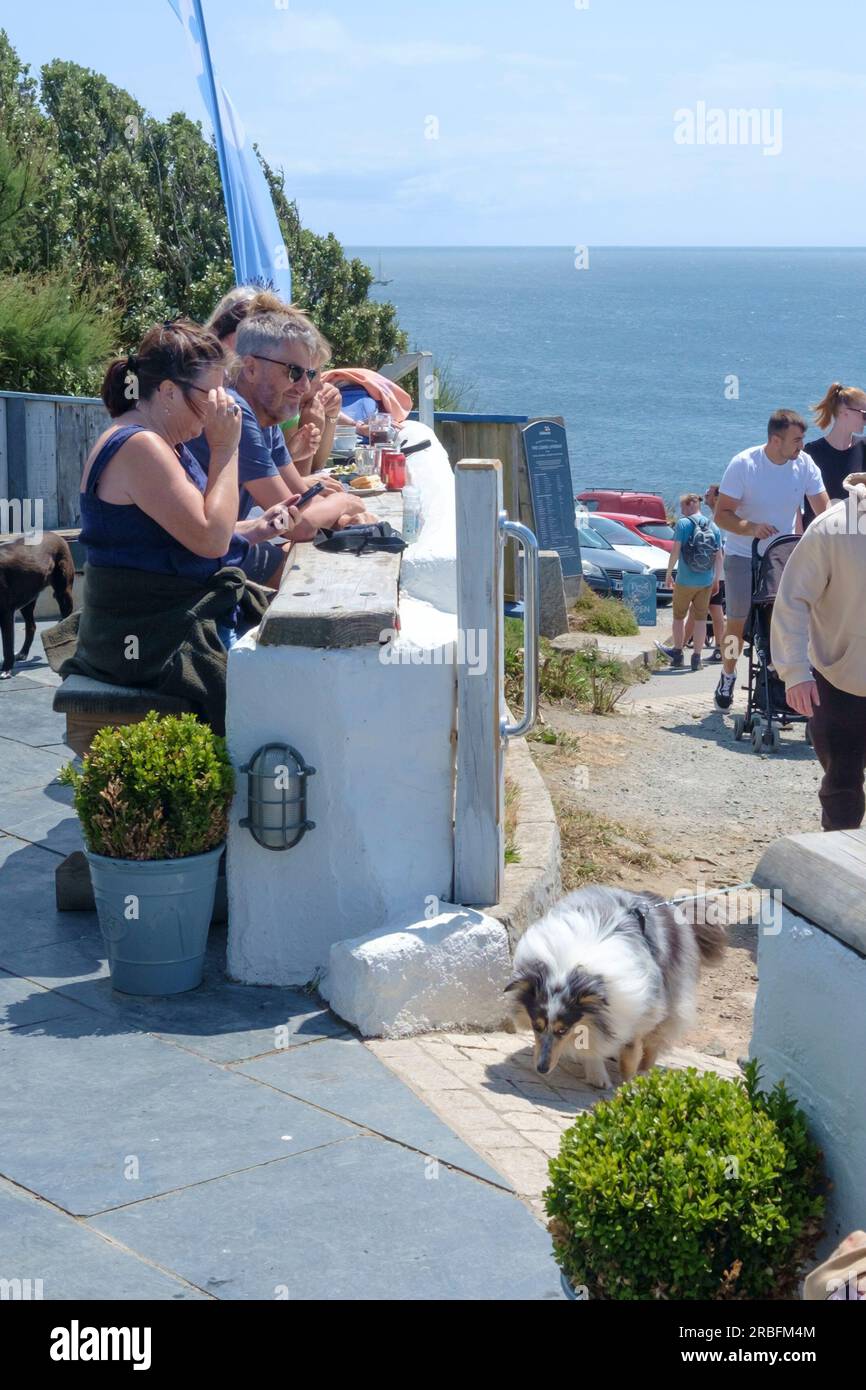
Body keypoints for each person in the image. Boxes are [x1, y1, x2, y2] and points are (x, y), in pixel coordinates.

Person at [48, 319, 300, 730]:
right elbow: (210, 540)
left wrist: (255, 529)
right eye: (211, 395)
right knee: (279, 693)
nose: (223, 407)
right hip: (143, 634)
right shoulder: (140, 446)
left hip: (161, 614)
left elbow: (184, 529)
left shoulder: (162, 441)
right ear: (168, 392)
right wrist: (226, 448)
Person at [188, 308, 375, 533]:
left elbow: (300, 499)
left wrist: (344, 520)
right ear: (251, 368)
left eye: (310, 374)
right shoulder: (234, 412)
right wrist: (344, 502)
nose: (305, 386)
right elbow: (293, 525)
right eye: (294, 372)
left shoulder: (267, 415)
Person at [712, 410, 830, 711]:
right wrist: (751, 528)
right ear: (776, 440)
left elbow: (824, 510)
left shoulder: (804, 464)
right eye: (796, 440)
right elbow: (721, 515)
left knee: (785, 616)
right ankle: (728, 673)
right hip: (742, 551)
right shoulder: (744, 464)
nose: (802, 446)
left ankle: (779, 681)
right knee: (736, 619)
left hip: (780, 554)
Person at [772, 471, 866, 830]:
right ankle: (840, 860)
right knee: (843, 785)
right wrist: (795, 672)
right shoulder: (833, 527)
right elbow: (793, 599)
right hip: (840, 679)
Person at [655, 493, 722, 670]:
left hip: (685, 580)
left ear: (690, 504)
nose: (681, 511)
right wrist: (716, 579)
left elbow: (675, 551)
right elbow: (719, 557)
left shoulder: (683, 524)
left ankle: (677, 654)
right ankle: (696, 659)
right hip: (705, 581)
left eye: (682, 507)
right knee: (701, 620)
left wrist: (669, 573)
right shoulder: (713, 526)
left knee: (678, 617)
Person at [802, 382, 866, 527]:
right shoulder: (811, 452)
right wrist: (798, 537)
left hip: (855, 535)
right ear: (844, 412)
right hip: (817, 535)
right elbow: (794, 498)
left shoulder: (864, 447)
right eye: (864, 415)